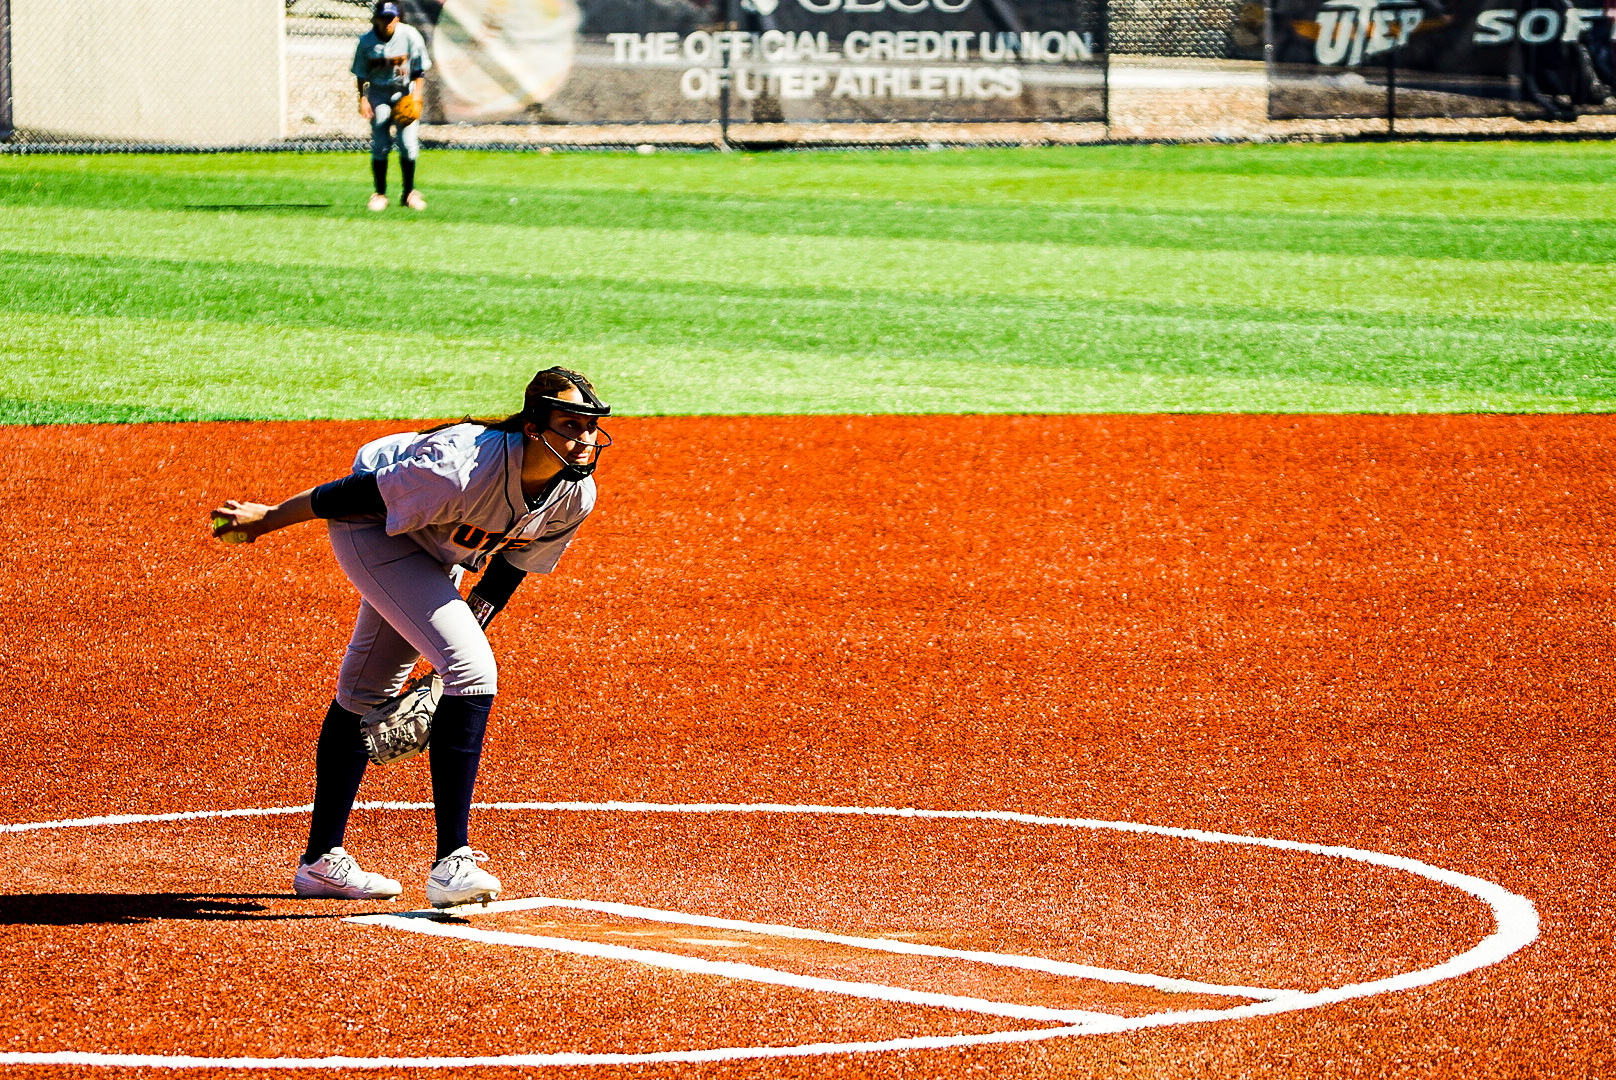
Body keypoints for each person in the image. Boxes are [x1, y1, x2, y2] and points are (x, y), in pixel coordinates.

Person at [210, 368, 613, 906]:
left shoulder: (574, 494)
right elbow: (358, 493)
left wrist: (445, 657)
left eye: (592, 426)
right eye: (571, 424)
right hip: (370, 525)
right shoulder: (462, 466)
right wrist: (269, 517)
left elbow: (507, 571)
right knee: (474, 670)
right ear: (534, 425)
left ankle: (320, 863)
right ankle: (453, 863)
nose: (585, 438)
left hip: (434, 547)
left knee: (369, 691)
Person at [352, 2, 433, 212]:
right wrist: (363, 99)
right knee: (380, 144)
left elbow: (419, 70)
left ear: (397, 18)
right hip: (378, 93)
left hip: (404, 93)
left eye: (391, 18)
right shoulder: (366, 42)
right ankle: (379, 194)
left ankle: (409, 194)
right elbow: (361, 75)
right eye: (383, 18)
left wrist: (416, 96)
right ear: (376, 19)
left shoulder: (410, 36)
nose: (387, 22)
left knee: (407, 144)